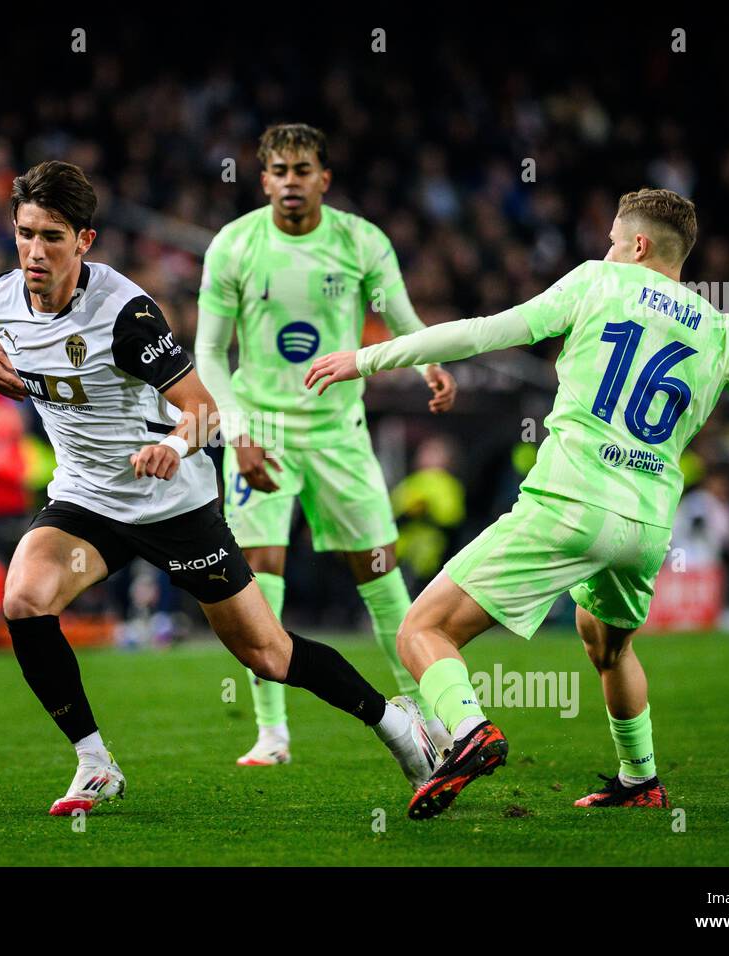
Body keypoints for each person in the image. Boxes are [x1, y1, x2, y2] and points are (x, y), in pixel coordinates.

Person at [306, 187, 729, 817]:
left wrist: (368, 357)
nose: (606, 247)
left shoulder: (598, 282)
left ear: (635, 244)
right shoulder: (723, 328)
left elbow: (484, 334)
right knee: (610, 646)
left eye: (611, 239)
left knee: (424, 628)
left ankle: (468, 733)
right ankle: (641, 779)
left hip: (570, 506)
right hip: (649, 527)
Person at [0, 159, 439, 815]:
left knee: (267, 654)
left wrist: (173, 444)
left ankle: (394, 721)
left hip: (172, 502)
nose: (34, 252)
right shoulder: (0, 297)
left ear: (85, 241)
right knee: (23, 598)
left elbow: (204, 407)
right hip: (88, 499)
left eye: (51, 237)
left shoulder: (123, 315)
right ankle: (94, 763)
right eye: (25, 233)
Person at [196, 123, 458, 766]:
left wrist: (428, 363)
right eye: (279, 171)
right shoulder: (234, 246)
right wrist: (237, 427)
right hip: (264, 431)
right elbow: (208, 350)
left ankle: (426, 719)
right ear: (263, 180)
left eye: (303, 170)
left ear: (324, 178)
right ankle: (272, 732)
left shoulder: (359, 240)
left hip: (340, 433)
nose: (291, 181)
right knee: (260, 575)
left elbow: (399, 317)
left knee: (380, 573)